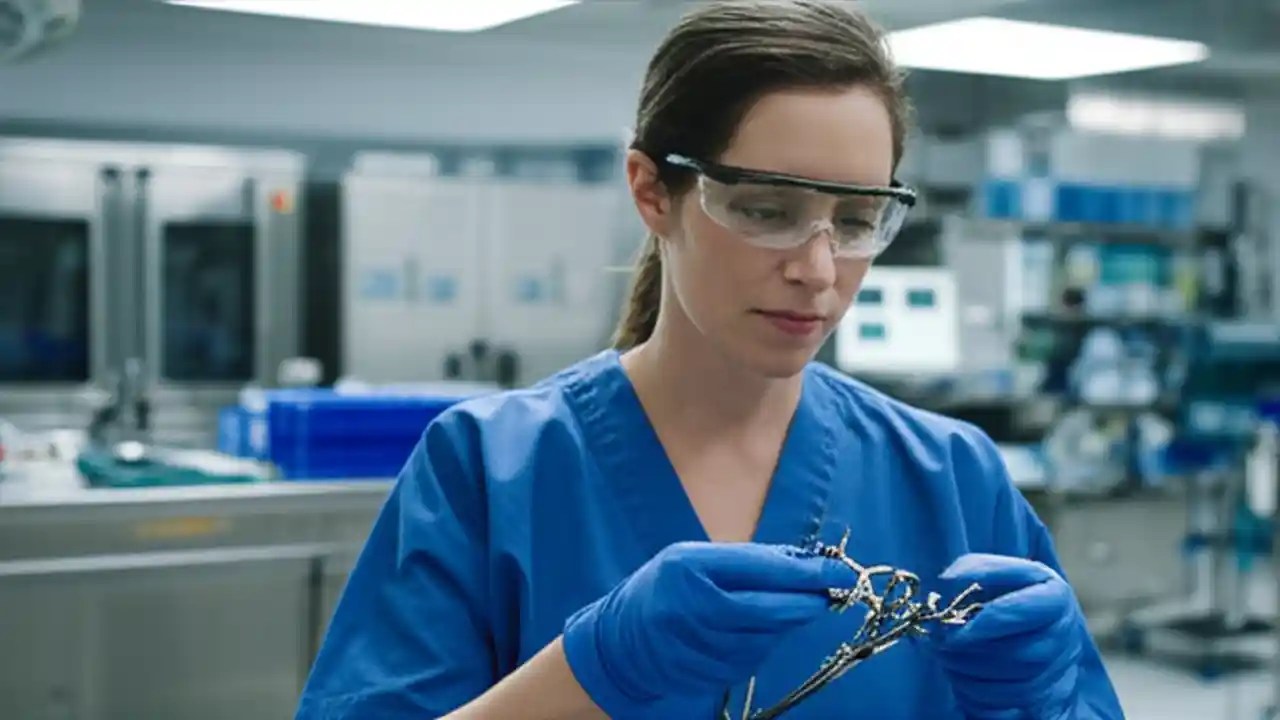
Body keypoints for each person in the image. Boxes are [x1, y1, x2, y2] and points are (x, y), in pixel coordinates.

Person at [295, 1, 1126, 718]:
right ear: (652, 191)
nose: (817, 268)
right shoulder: (492, 469)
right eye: (766, 210)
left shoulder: (951, 479)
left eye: (855, 220)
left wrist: (1047, 706)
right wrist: (590, 674)